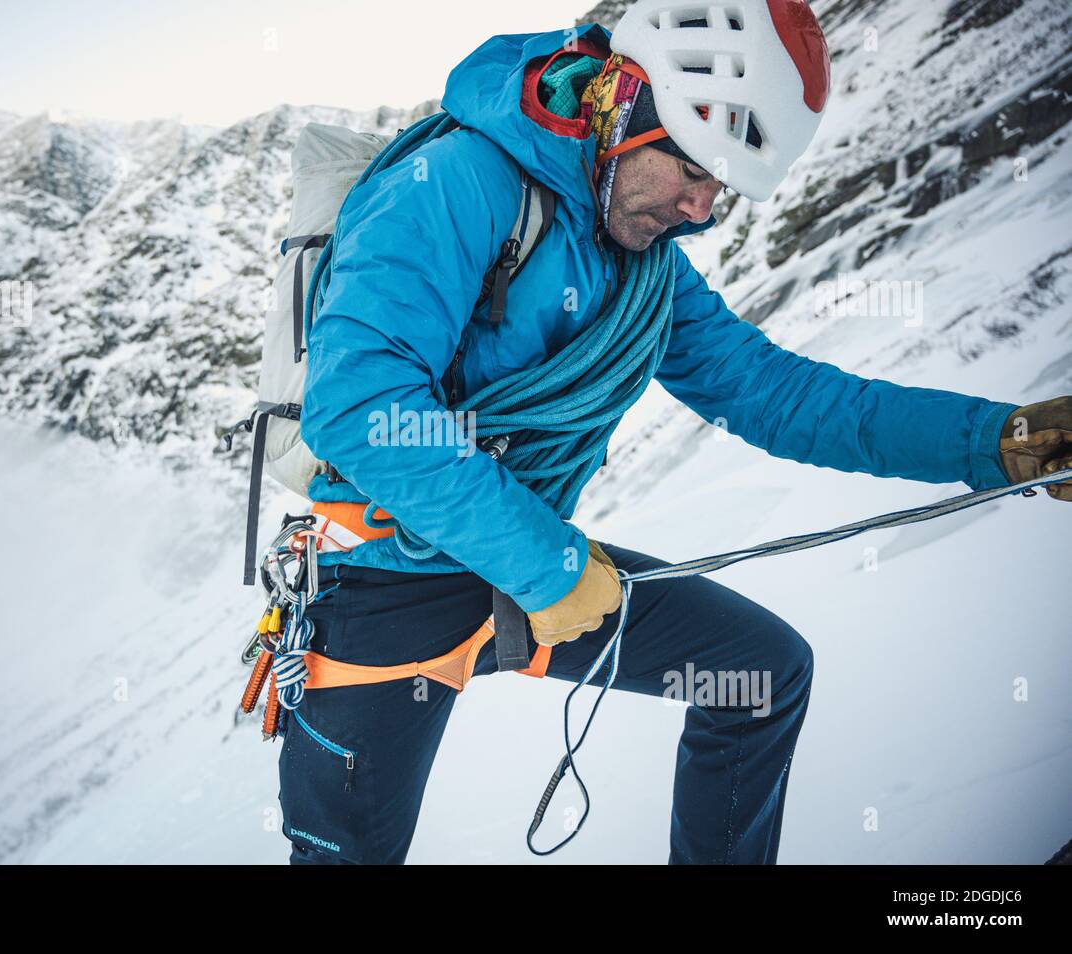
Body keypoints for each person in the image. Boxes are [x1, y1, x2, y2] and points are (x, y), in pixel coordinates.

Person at [277, 0, 1072, 864]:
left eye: (720, 190)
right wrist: (547, 565)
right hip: (384, 585)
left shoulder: (643, 267)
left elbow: (774, 395)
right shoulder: (457, 182)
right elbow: (358, 404)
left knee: (758, 680)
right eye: (692, 168)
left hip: (530, 571)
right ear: (624, 103)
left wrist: (992, 441)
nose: (700, 208)